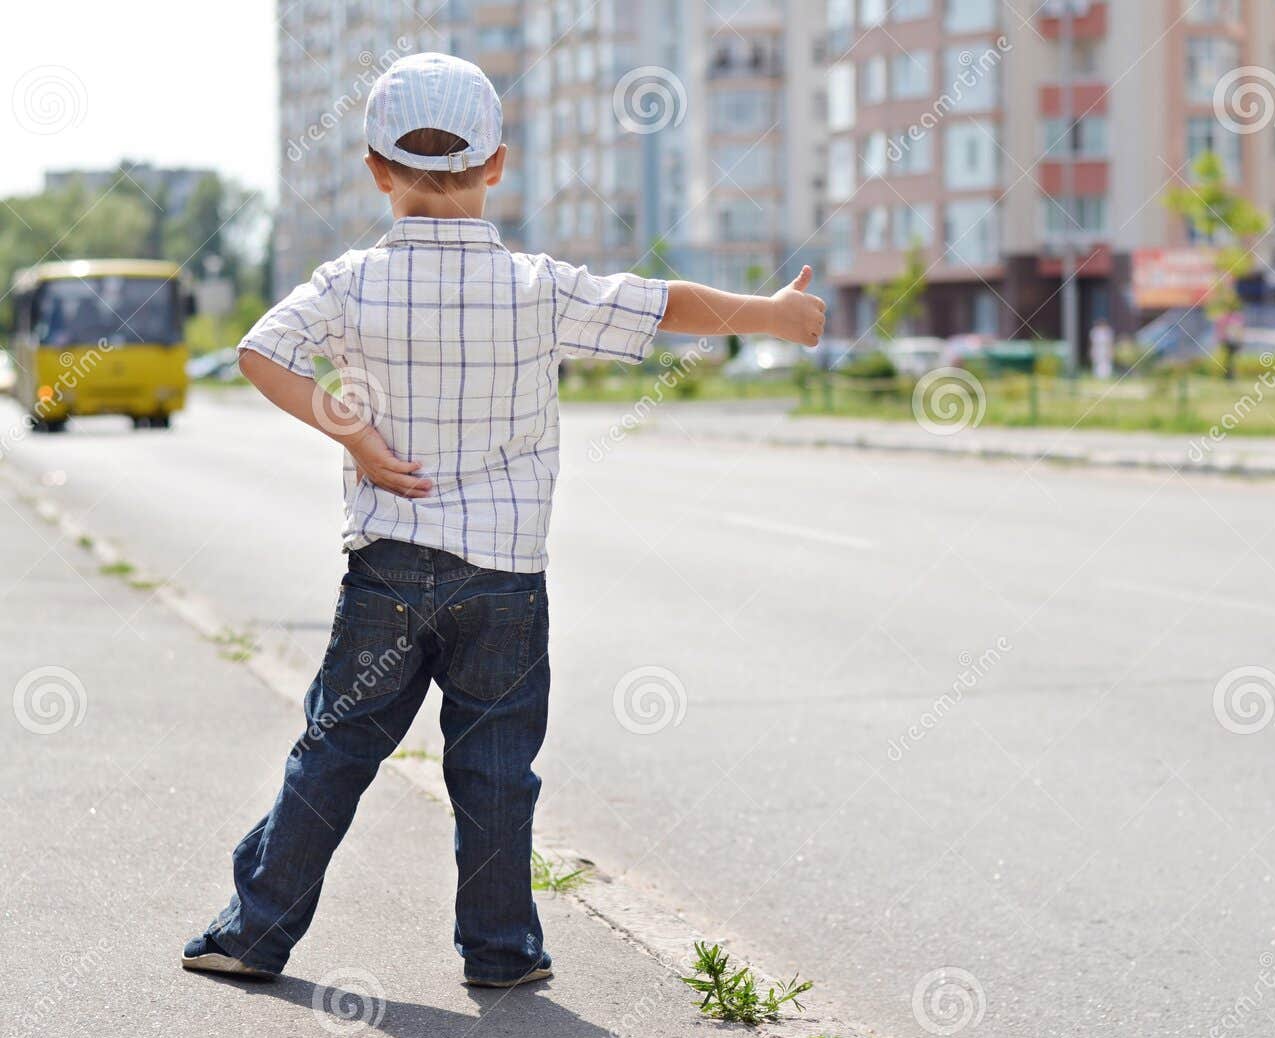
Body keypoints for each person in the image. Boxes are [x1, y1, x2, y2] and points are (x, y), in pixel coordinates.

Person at [182, 53, 826, 988]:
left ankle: (254, 934)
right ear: (497, 166)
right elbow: (664, 307)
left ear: (374, 168)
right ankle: (500, 952)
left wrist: (357, 438)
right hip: (506, 583)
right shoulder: (540, 287)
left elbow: (257, 351)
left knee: (336, 750)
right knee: (494, 773)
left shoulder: (349, 281)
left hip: (389, 570)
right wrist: (771, 315)